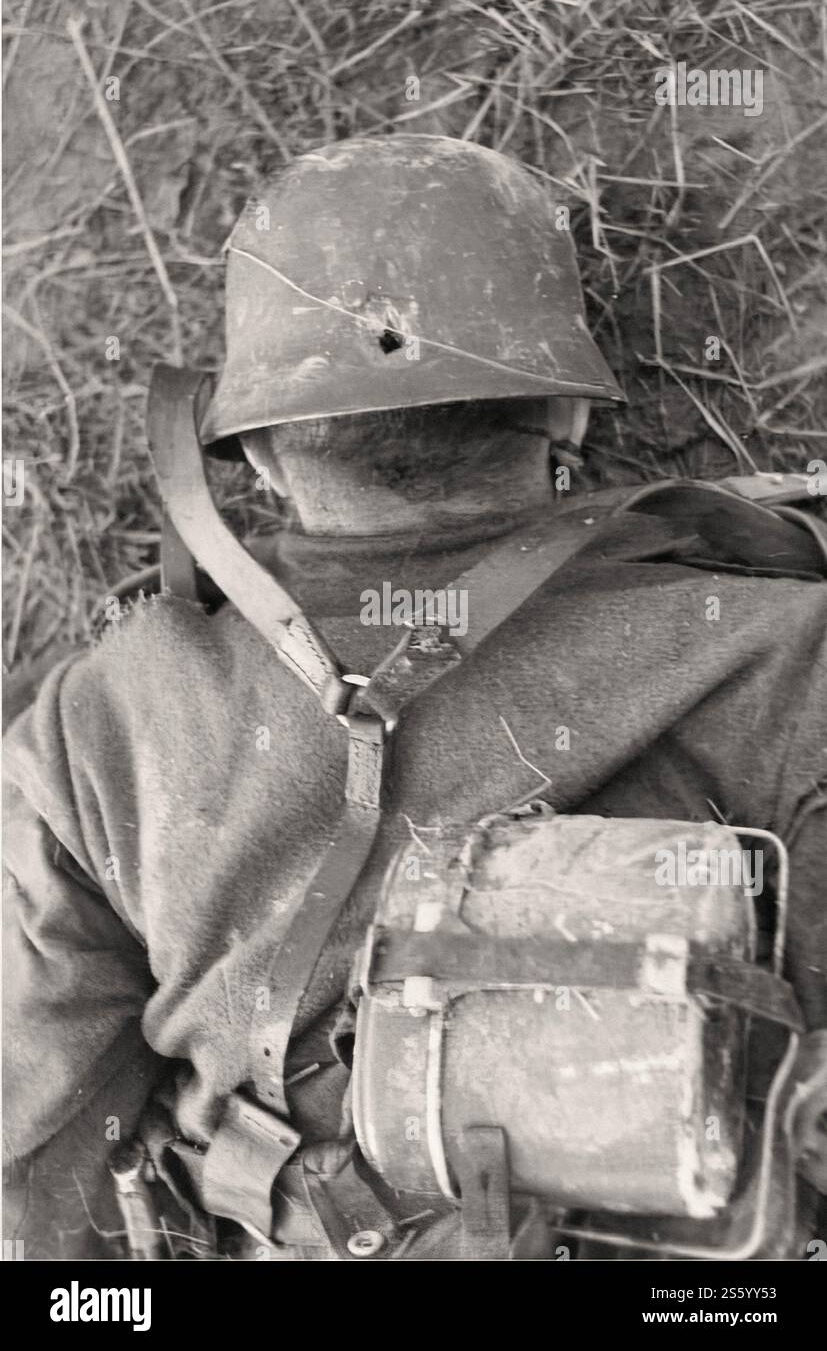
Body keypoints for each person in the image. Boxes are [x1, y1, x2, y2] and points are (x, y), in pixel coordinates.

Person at [3, 135, 825, 1261]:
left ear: (257, 453)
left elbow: (37, 1163)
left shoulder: (94, 723)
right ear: (567, 417)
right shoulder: (784, 650)